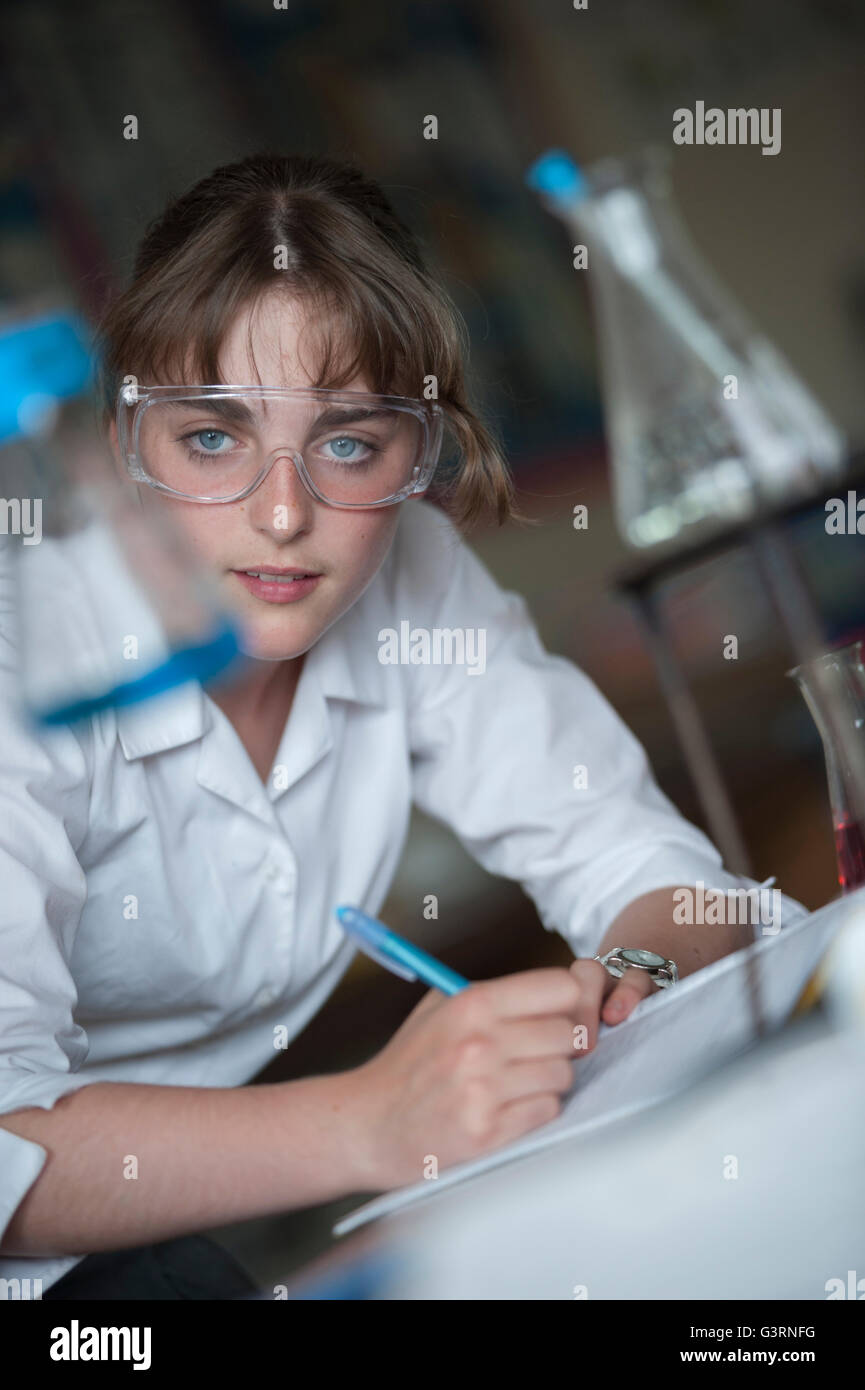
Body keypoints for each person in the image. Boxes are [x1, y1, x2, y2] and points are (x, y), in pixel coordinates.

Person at [0, 152, 804, 1300]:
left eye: (347, 443)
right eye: (214, 439)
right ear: (123, 447)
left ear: (418, 452)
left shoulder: (415, 576)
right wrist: (375, 1122)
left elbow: (652, 871)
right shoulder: (22, 656)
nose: (283, 517)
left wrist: (622, 973)